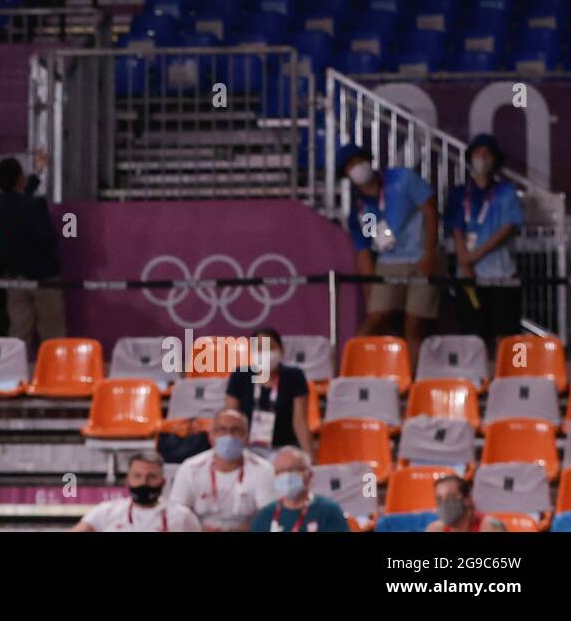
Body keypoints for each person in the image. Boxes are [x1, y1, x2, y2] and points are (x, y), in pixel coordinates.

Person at [337, 143, 441, 368]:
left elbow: (431, 209)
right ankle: (348, 371)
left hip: (421, 258)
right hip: (389, 263)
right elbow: (364, 255)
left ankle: (409, 384)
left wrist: (430, 254)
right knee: (375, 319)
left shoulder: (402, 178)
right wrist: (370, 296)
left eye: (359, 161)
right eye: (351, 166)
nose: (357, 168)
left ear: (369, 160)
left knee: (414, 325)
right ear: (346, 174)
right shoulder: (359, 210)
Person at [445, 134, 524, 352]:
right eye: (478, 153)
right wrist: (464, 262)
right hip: (469, 276)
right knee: (472, 335)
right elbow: (456, 228)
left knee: (505, 335)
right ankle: (477, 382)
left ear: (494, 160)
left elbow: (508, 228)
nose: (482, 157)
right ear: (470, 158)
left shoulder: (506, 192)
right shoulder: (459, 193)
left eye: (487, 153)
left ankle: (505, 379)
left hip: (501, 274)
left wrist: (474, 256)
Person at [0, 150, 64, 350]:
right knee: (52, 333)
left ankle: (14, 375)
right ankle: (56, 374)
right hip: (44, 278)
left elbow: (18, 199)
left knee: (18, 332)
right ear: (20, 179)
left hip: (14, 278)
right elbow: (48, 237)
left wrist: (37, 173)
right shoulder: (34, 206)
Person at [167, 409, 276, 531]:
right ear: (211, 437)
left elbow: (268, 513)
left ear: (246, 437)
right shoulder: (190, 468)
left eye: (236, 430)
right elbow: (177, 510)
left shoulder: (263, 469)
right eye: (221, 430)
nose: (228, 435)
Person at [225, 328, 313, 457]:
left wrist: (309, 459)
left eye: (270, 347)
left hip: (283, 449)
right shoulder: (240, 375)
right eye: (259, 348)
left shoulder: (294, 376)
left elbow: (299, 421)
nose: (265, 353)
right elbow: (232, 417)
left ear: (281, 351)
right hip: (247, 449)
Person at [72, 453, 201, 532]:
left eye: (151, 476)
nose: (144, 482)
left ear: (163, 482)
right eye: (137, 476)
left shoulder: (182, 516)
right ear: (128, 480)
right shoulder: (106, 512)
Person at [249, 447, 349, 532]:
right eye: (280, 471)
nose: (286, 476)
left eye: (293, 470)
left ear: (309, 474)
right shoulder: (265, 516)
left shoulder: (328, 511)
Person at [426, 475, 505, 532]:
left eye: (450, 497)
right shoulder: (435, 529)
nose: (444, 503)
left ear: (468, 499)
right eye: (439, 499)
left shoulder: (490, 527)